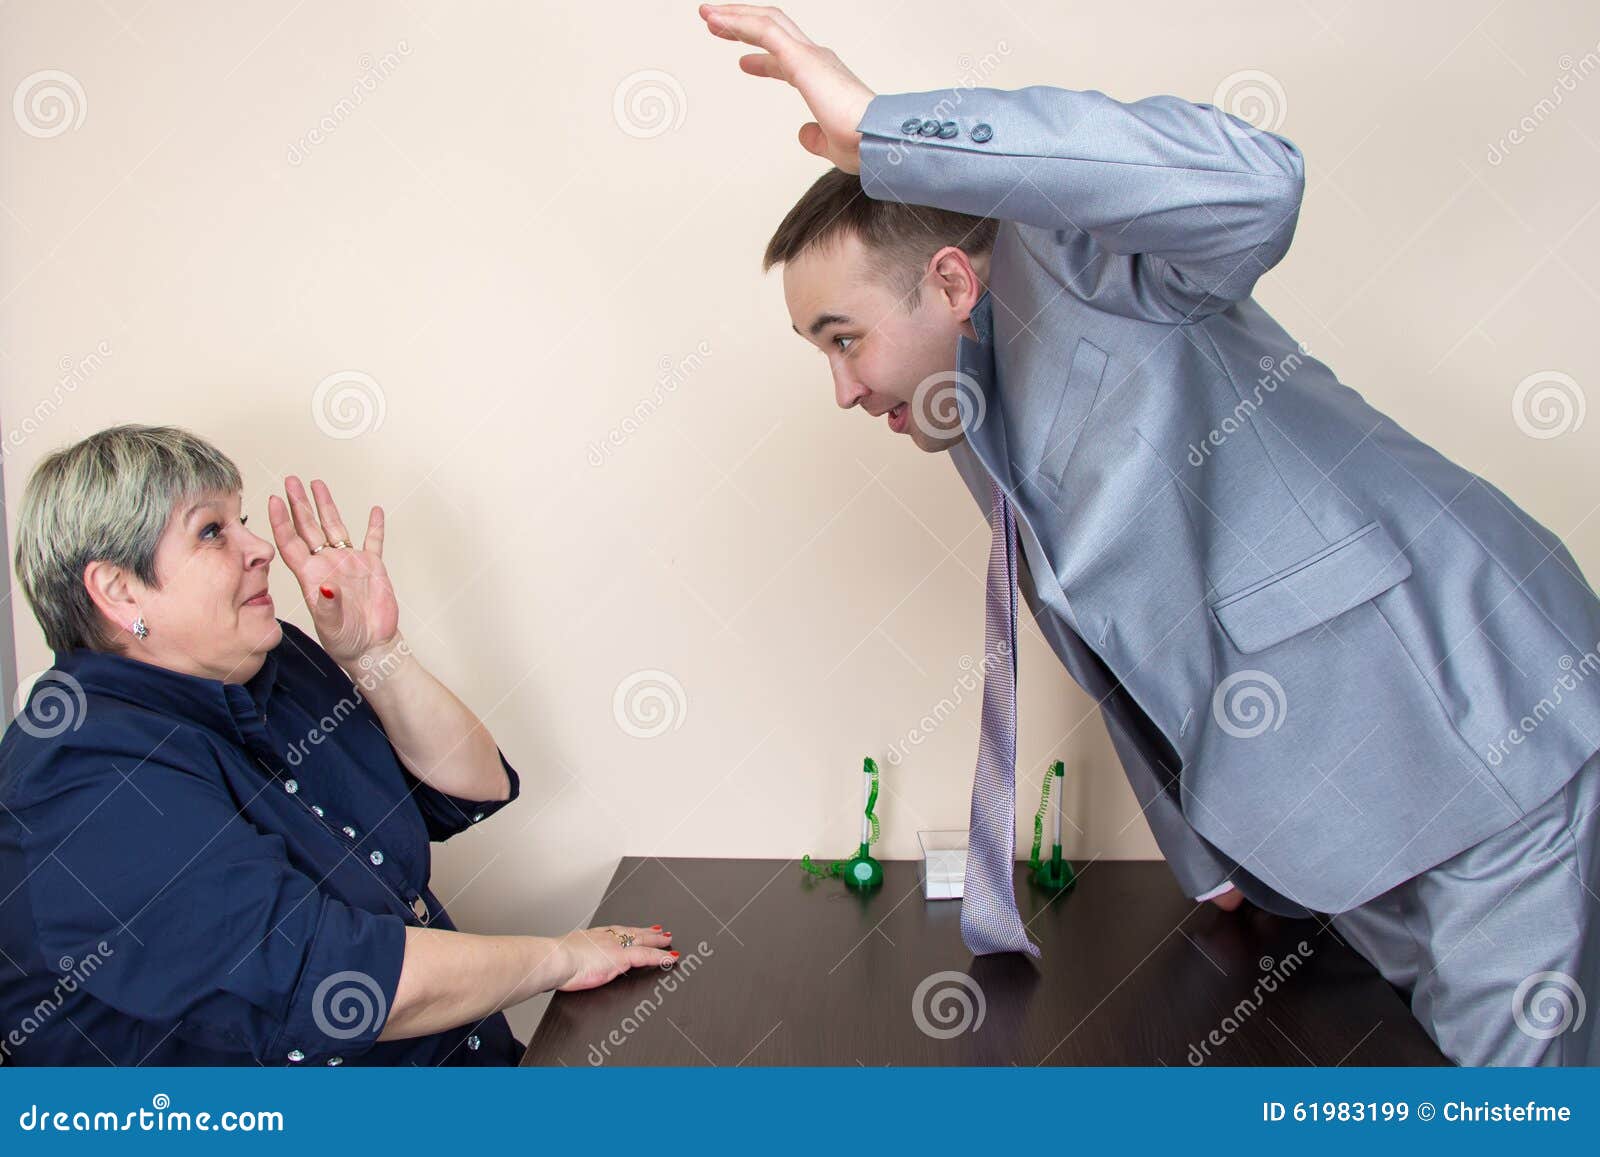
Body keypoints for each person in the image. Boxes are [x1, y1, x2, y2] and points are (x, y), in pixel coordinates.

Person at [699, 3, 1600, 1065]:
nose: (843, 389)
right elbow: (1105, 634)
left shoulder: (1094, 273)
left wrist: (888, 129)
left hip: (1479, 730)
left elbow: (1259, 181)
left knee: (1516, 1107)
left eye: (844, 340)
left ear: (949, 281)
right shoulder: (968, 414)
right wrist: (1208, 847)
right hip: (1347, 819)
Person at [0, 424, 677, 1066]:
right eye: (211, 531)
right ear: (119, 590)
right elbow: (334, 981)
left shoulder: (269, 659)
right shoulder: (81, 772)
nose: (259, 548)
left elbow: (469, 788)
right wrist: (561, 957)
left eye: (242, 520)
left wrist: (376, 653)